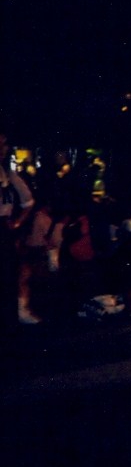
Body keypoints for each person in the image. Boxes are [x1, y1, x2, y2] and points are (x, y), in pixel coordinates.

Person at [1, 131, 37, 334]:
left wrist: (16, 223)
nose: (2, 149)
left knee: (10, 276)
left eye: (4, 144)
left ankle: (11, 321)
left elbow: (28, 201)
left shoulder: (8, 173)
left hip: (4, 231)